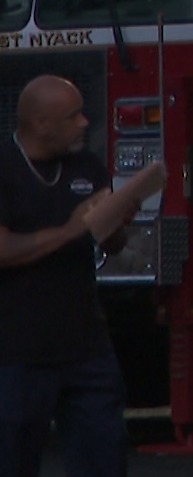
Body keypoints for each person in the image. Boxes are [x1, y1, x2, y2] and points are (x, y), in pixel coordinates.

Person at [0, 75, 162, 477]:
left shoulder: (86, 165)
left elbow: (109, 242)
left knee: (104, 457)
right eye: (73, 116)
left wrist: (117, 218)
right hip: (17, 353)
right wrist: (72, 229)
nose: (84, 123)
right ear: (42, 124)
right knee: (14, 461)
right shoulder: (5, 168)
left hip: (86, 348)